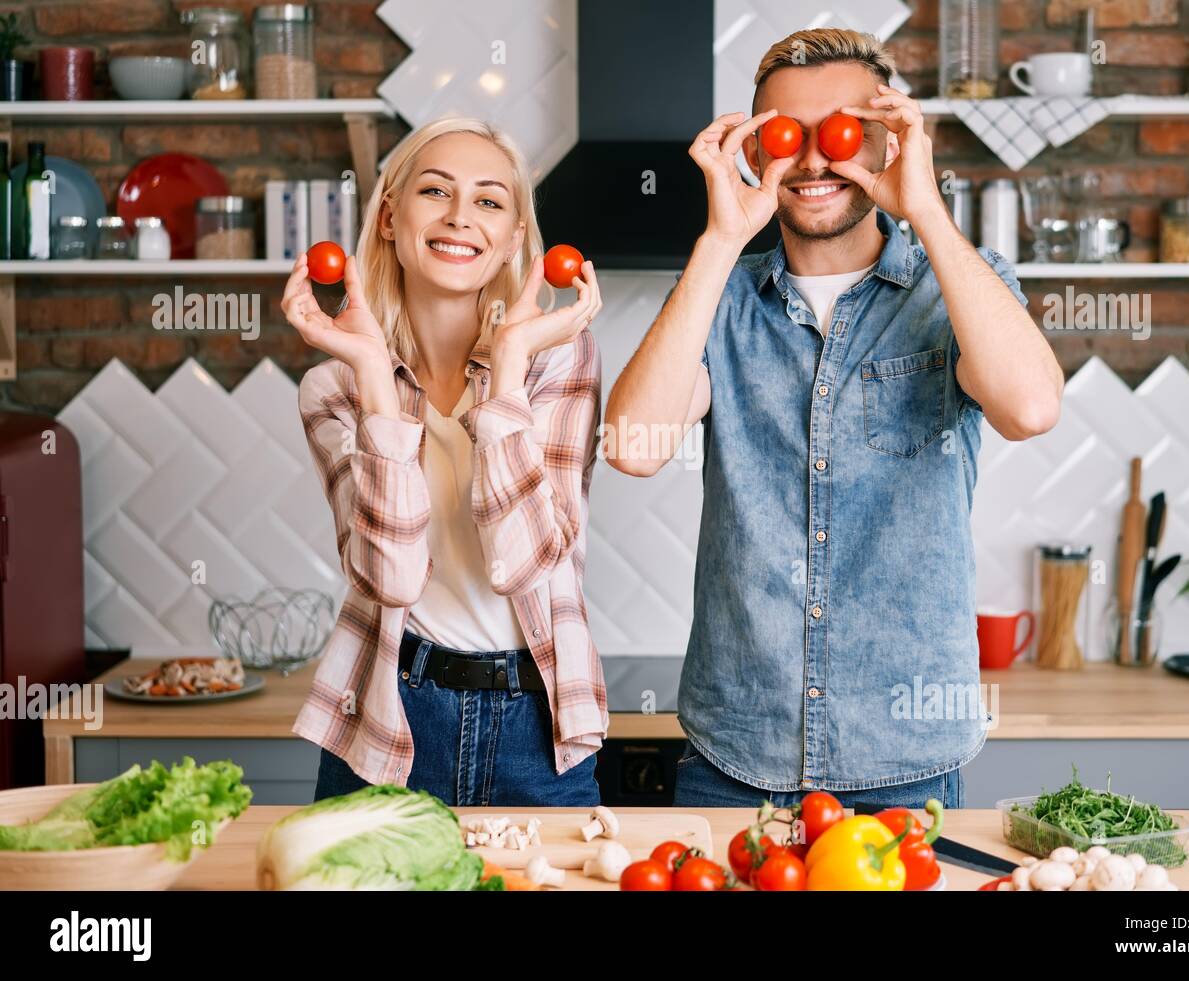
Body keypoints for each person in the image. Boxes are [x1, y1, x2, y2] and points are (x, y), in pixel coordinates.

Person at [604, 29, 1063, 810]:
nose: (814, 160)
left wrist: (925, 208)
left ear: (887, 140)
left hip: (904, 759)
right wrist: (720, 238)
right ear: (753, 150)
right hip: (736, 755)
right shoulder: (722, 300)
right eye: (785, 136)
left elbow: (1029, 407)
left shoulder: (954, 288)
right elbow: (631, 448)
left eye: (842, 132)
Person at [284, 116, 607, 806]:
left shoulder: (558, 361)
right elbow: (390, 576)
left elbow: (522, 561)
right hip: (390, 717)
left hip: (537, 722)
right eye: (436, 191)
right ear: (392, 218)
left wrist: (509, 373)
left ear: (513, 241)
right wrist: (376, 381)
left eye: (489, 201)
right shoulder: (333, 390)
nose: (461, 217)